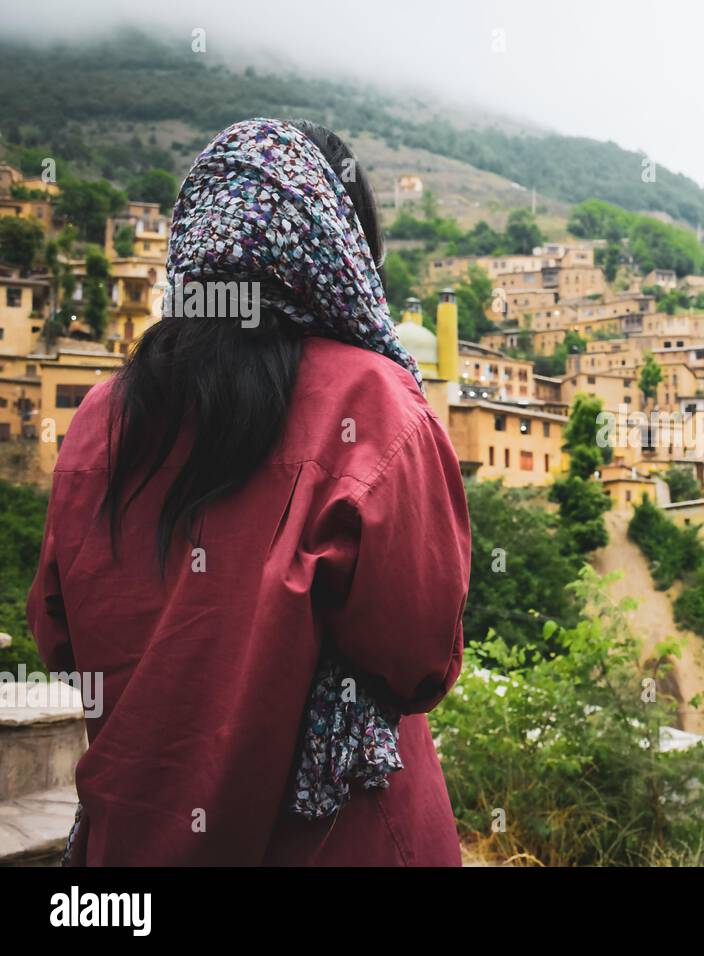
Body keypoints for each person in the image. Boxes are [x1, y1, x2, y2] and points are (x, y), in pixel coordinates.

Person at [27, 118, 470, 866]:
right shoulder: (372, 403)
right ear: (337, 247)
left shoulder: (101, 418)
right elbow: (419, 660)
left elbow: (60, 637)